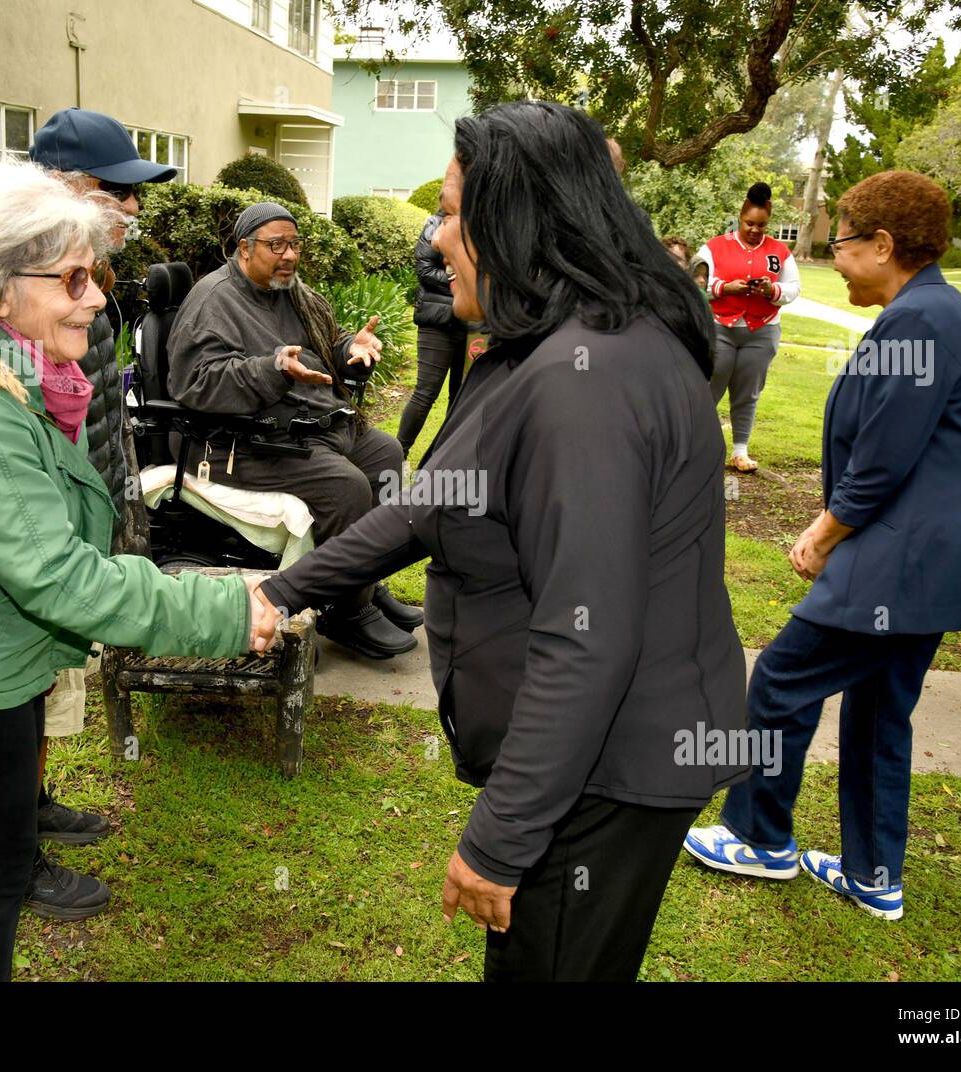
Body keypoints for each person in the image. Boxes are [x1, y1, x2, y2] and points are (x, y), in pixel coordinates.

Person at [250, 101, 748, 981]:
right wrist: (283, 592)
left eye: (450, 213)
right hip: (591, 755)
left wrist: (501, 840)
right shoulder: (539, 348)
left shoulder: (585, 380)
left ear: (516, 222)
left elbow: (586, 638)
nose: (438, 239)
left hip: (607, 769)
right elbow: (428, 504)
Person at [0, 160, 267, 980]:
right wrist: (221, 611)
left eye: (101, 273)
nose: (96, 297)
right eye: (74, 278)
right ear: (0, 290)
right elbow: (57, 576)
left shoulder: (26, 374)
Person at [684, 170, 961, 921]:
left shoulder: (922, 321)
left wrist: (824, 531)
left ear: (883, 245)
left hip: (909, 560)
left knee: (778, 679)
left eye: (839, 245)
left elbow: (885, 456)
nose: (833, 259)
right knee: (876, 710)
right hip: (929, 558)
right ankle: (874, 875)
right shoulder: (937, 310)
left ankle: (761, 838)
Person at [25, 107, 178, 909]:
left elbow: (106, 411)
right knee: (26, 688)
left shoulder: (93, 282)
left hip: (98, 502)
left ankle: (32, 807)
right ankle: (8, 855)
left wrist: (122, 509)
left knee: (55, 684)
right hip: (41, 533)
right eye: (117, 192)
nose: (132, 210)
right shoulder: (18, 292)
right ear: (65, 187)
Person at [166, 201, 423, 660]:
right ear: (244, 248)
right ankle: (345, 610)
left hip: (303, 426)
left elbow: (328, 340)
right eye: (276, 245)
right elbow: (195, 383)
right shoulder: (214, 300)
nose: (288, 255)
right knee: (345, 488)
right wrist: (273, 370)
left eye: (294, 244)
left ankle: (362, 582)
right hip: (239, 443)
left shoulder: (291, 291)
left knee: (384, 455)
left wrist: (353, 348)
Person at [697, 181, 801, 472]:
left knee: (748, 391)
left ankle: (740, 451)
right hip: (721, 328)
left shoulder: (780, 252)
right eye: (749, 224)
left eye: (762, 226)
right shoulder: (715, 247)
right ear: (739, 219)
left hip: (761, 330)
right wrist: (725, 288)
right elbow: (697, 283)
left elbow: (793, 289)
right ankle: (696, 444)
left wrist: (771, 292)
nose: (755, 230)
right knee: (709, 385)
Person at [396, 209, 468, 454]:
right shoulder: (435, 223)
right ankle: (399, 453)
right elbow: (425, 271)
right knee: (426, 392)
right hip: (438, 321)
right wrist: (465, 284)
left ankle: (445, 456)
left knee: (461, 396)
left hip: (473, 324)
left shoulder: (483, 222)